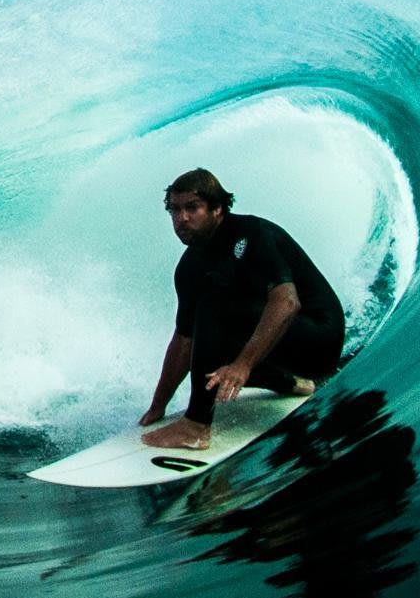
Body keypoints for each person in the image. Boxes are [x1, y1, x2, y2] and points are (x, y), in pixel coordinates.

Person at [139, 167, 346, 450]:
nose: (182, 219)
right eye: (174, 210)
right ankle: (292, 383)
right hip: (284, 353)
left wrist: (242, 365)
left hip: (320, 340)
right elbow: (184, 342)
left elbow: (287, 302)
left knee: (213, 303)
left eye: (192, 208)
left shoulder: (253, 233)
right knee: (207, 340)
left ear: (218, 209)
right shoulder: (189, 269)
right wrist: (157, 407)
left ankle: (197, 427)